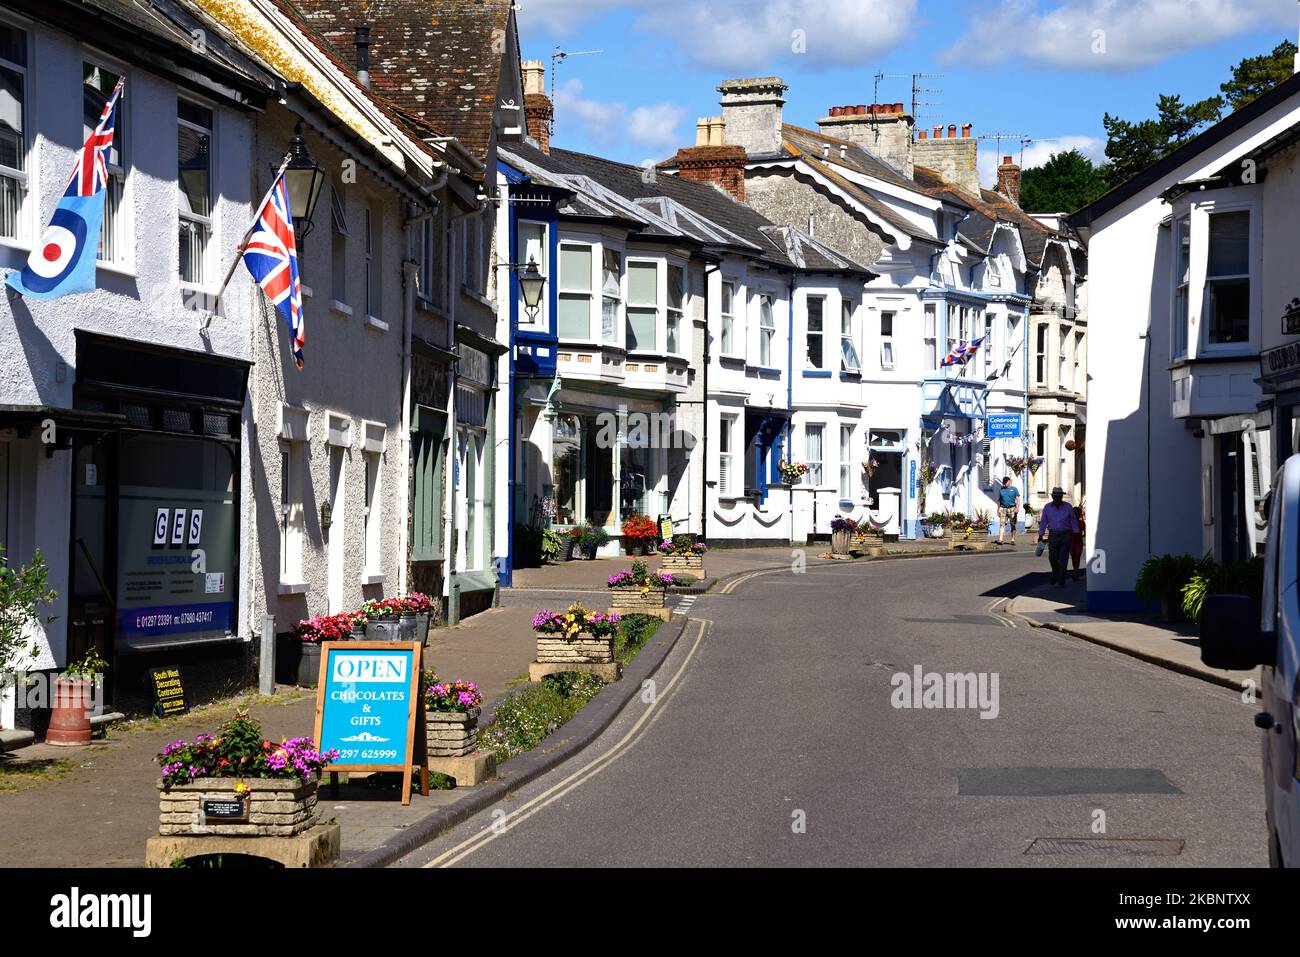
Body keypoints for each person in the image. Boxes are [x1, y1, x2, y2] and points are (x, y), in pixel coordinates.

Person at [1037, 487, 1080, 587]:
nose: (1057, 499)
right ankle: (1055, 572)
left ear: (1061, 496)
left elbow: (1073, 520)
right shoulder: (1047, 507)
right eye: (1055, 497)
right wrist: (1040, 534)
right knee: (1052, 557)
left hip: (1066, 534)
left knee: (1063, 558)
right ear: (1052, 497)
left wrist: (1077, 532)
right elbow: (1043, 522)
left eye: (1059, 497)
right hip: (1053, 535)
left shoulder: (1068, 507)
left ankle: (1061, 579)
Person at [996, 477, 1021, 544]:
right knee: (1002, 524)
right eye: (1003, 483)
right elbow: (999, 500)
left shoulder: (1014, 489)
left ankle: (1013, 539)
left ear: (1009, 481)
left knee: (1013, 524)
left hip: (1012, 508)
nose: (1004, 484)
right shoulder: (1001, 489)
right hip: (1003, 508)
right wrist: (998, 509)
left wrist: (1017, 508)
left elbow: (1018, 499)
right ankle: (1000, 539)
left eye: (1005, 483)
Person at [1069, 506, 1086, 581]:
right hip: (1073, 541)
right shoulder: (1071, 522)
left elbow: (1084, 533)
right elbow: (1084, 533)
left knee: (1076, 557)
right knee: (1074, 556)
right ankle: (1075, 570)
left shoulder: (1081, 522)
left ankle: (1075, 572)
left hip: (1077, 542)